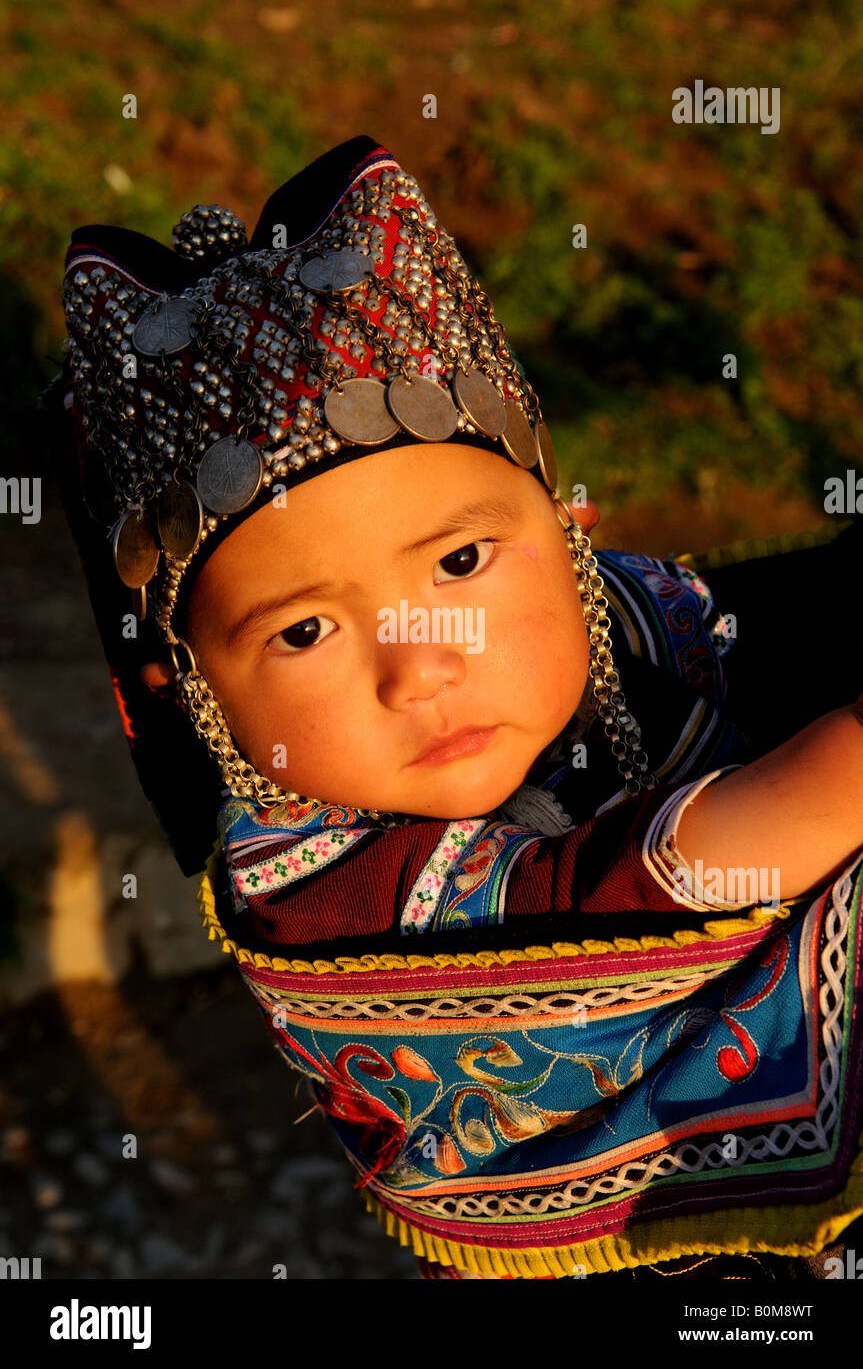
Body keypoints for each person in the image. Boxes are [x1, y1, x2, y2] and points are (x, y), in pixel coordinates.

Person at [47, 135, 863, 1280]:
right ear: (207, 702)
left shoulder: (612, 619)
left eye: (463, 561)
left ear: (565, 531)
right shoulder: (311, 887)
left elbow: (769, 621)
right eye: (304, 631)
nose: (420, 666)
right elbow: (602, 890)